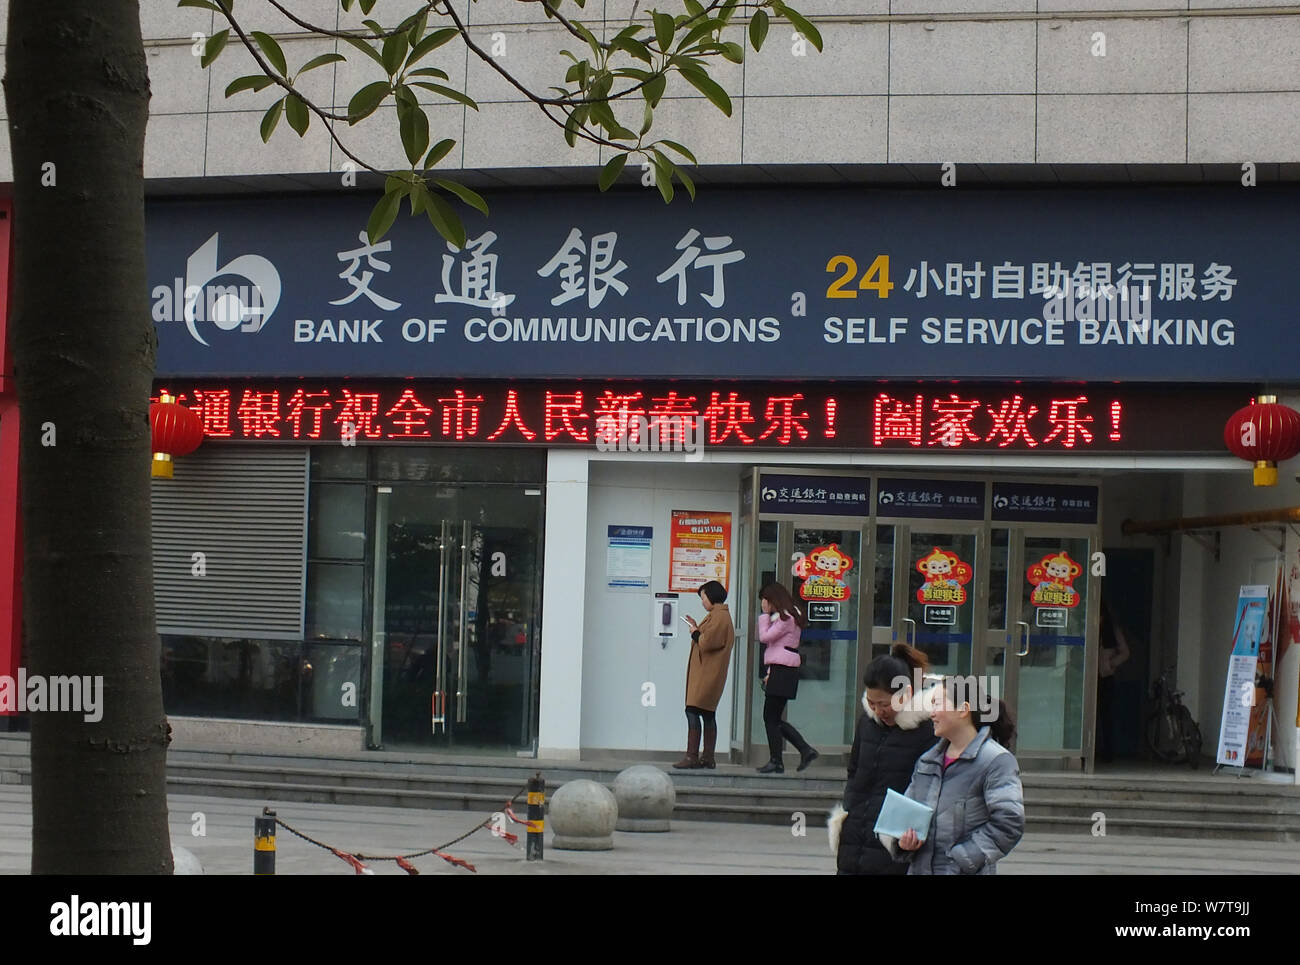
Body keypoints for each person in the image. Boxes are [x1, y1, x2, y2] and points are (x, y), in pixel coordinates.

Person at [884, 674, 1024, 875]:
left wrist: (962, 859)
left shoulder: (996, 761)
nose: (931, 713)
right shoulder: (927, 761)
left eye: (937, 704)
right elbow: (908, 816)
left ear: (963, 709)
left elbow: (1009, 822)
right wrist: (904, 841)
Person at [828, 644, 937, 874]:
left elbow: (930, 791)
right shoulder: (866, 724)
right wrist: (849, 814)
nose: (878, 710)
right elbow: (854, 770)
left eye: (884, 704)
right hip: (853, 841)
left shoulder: (927, 730)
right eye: (871, 703)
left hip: (895, 845)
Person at [755, 583, 818, 774]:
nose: (764, 604)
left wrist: (764, 615)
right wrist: (769, 673)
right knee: (773, 718)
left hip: (783, 670)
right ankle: (798, 752)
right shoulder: (788, 616)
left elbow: (765, 637)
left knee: (771, 717)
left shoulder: (786, 618)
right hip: (780, 669)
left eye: (765, 601)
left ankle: (784, 757)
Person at [675, 581, 734, 770]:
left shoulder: (719, 617)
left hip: (708, 674)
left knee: (692, 710)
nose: (702, 602)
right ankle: (707, 757)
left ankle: (693, 756)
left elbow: (707, 642)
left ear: (711, 596)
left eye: (703, 597)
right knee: (708, 713)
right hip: (710, 673)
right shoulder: (718, 616)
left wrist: (694, 632)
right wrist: (696, 627)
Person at [1097, 596, 1131, 763]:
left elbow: (1125, 652)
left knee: (1106, 714)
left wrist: (1111, 664)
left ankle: (1108, 751)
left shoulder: (1113, 631)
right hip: (1087, 677)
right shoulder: (1087, 627)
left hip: (1106, 676)